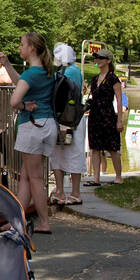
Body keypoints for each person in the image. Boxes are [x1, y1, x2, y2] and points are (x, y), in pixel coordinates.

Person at [0, 33, 56, 234]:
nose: (19, 47)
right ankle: (17, 220)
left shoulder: (32, 74)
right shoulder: (47, 71)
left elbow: (14, 101)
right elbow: (21, 83)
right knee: (26, 175)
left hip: (32, 126)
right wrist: (6, 65)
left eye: (22, 44)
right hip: (47, 123)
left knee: (35, 177)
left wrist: (24, 106)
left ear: (31, 48)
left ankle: (44, 222)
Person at [49, 42, 86, 206]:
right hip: (72, 117)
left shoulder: (65, 72)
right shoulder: (75, 71)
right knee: (67, 152)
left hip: (65, 117)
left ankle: (64, 191)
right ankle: (68, 191)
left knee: (62, 153)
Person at [85, 48, 125, 186]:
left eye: (100, 58)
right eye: (96, 57)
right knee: (95, 147)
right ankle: (96, 178)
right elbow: (92, 97)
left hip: (108, 115)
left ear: (108, 60)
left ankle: (118, 176)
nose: (97, 60)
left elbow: (119, 100)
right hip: (94, 116)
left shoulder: (113, 78)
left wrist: (119, 120)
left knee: (112, 147)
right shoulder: (94, 79)